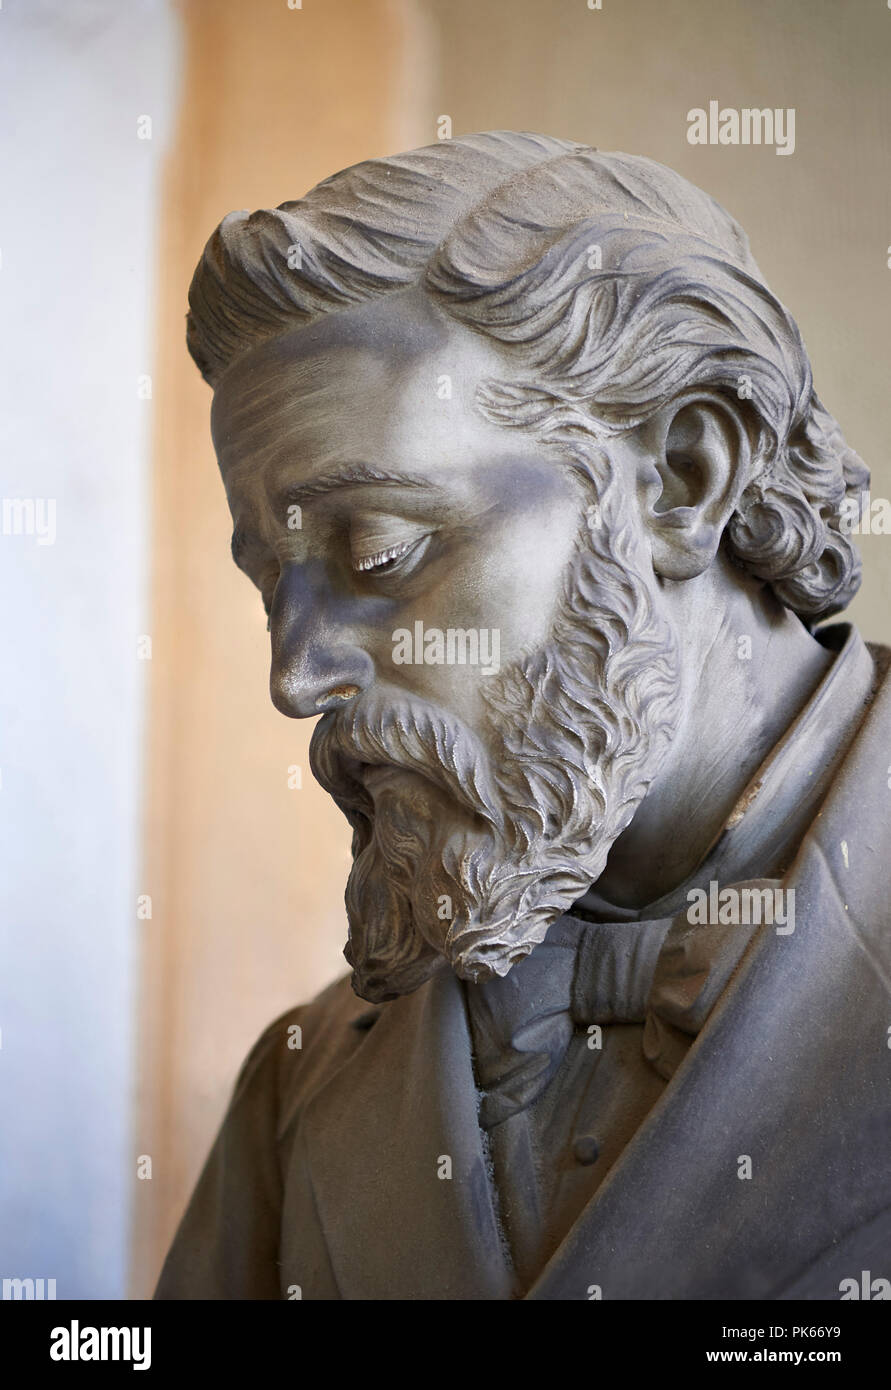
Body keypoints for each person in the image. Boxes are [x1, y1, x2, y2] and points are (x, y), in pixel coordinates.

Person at [155, 132, 891, 1300]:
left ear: (684, 477)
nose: (295, 678)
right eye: (270, 583)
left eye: (381, 550)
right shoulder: (296, 1099)